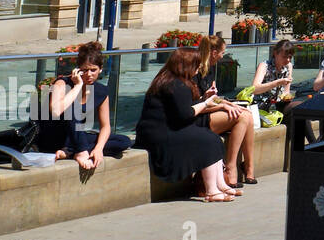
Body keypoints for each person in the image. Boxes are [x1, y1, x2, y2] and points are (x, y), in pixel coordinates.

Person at [135, 48, 236, 202]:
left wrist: (205, 99)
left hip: (167, 128)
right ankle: (211, 190)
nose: (198, 69)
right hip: (160, 133)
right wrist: (206, 103)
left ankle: (219, 184)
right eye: (196, 65)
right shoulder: (175, 84)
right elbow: (185, 114)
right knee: (207, 141)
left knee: (212, 138)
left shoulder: (172, 80)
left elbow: (184, 108)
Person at [40, 41, 132, 169]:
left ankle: (72, 150)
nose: (89, 74)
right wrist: (78, 86)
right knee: (72, 107)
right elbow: (55, 111)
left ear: (100, 70)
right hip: (52, 136)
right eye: (84, 70)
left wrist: (99, 149)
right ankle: (81, 151)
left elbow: (105, 126)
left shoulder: (101, 91)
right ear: (77, 70)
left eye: (93, 70)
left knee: (123, 141)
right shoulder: (62, 83)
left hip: (74, 139)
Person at [196, 34, 255, 187]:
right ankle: (231, 167)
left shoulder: (210, 69)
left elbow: (210, 97)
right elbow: (197, 104)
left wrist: (227, 103)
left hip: (206, 109)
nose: (223, 56)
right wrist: (223, 105)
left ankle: (249, 166)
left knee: (247, 114)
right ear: (214, 53)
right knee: (242, 117)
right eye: (222, 53)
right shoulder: (196, 71)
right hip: (197, 116)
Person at [251, 39, 297, 123]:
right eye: (284, 57)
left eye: (290, 57)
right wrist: (277, 83)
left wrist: (287, 96)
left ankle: (314, 137)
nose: (288, 60)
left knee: (300, 110)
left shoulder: (288, 66)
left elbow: (286, 92)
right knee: (295, 112)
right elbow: (254, 89)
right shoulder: (264, 66)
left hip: (279, 104)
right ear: (275, 53)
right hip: (263, 105)